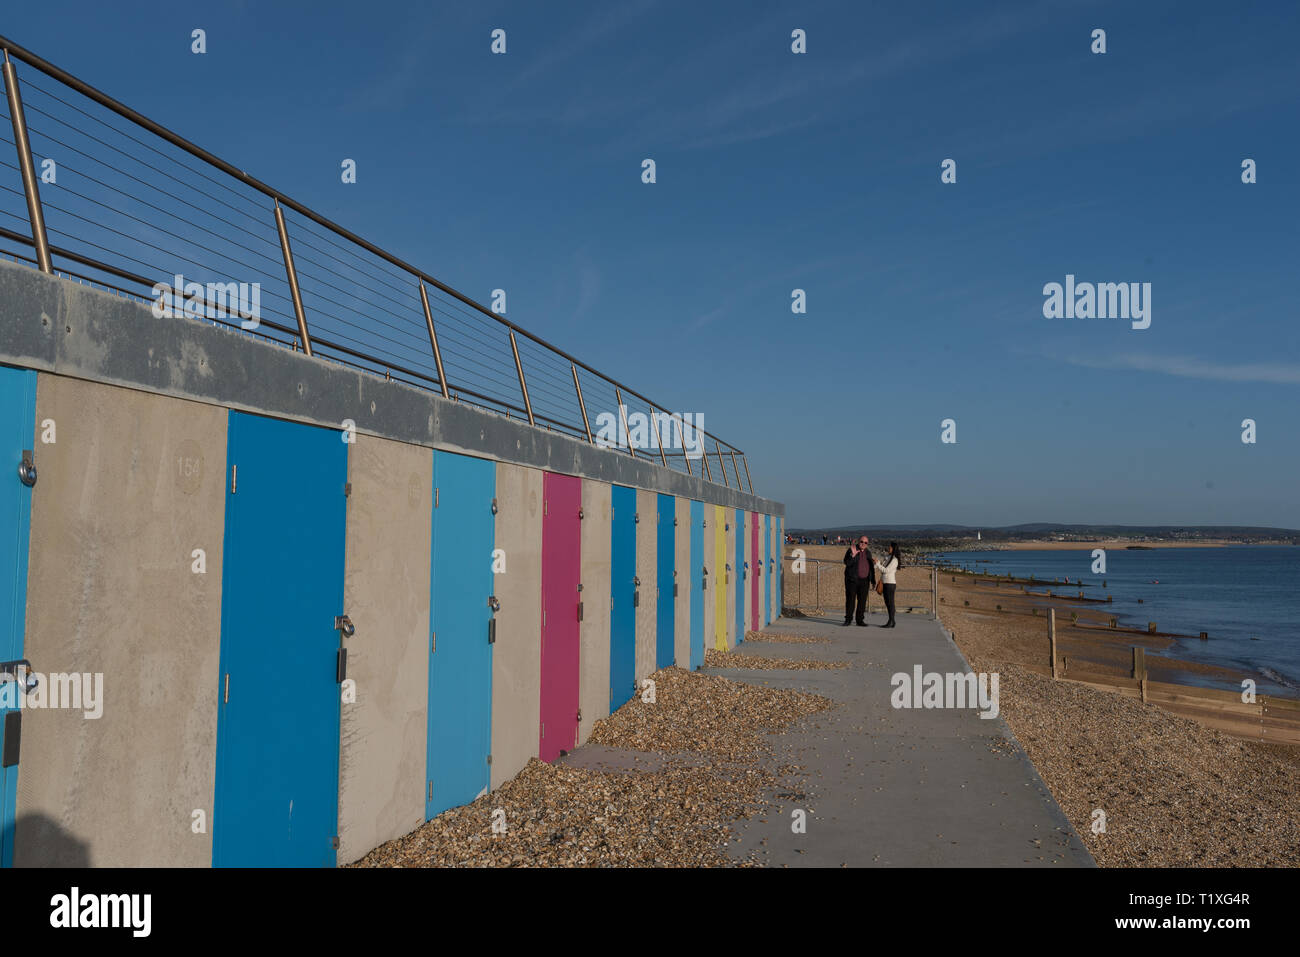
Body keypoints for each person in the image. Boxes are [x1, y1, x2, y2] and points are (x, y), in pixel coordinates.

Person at [842, 535, 875, 626]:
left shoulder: (868, 553)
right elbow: (846, 562)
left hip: (864, 581)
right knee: (850, 601)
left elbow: (871, 568)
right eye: (861, 542)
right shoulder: (851, 549)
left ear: (867, 544)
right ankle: (848, 620)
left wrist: (873, 580)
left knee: (862, 602)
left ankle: (859, 620)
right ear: (858, 541)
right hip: (852, 580)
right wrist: (853, 555)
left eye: (865, 543)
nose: (863, 544)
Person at [875, 542, 902, 628]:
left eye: (890, 547)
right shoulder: (888, 557)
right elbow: (882, 567)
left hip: (890, 584)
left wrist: (878, 564)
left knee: (890, 603)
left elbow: (885, 570)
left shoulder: (895, 560)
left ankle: (891, 621)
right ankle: (892, 621)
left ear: (893, 549)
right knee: (887, 603)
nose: (888, 548)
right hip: (885, 583)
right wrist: (877, 562)